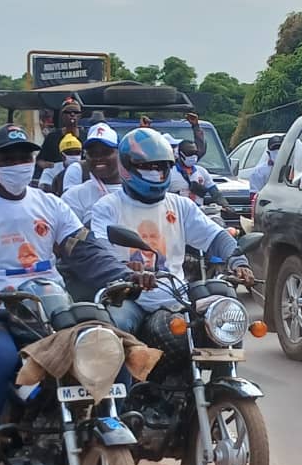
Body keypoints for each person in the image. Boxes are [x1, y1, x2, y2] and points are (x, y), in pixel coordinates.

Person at [0, 124, 154, 465]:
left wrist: (123, 277)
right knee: (1, 362)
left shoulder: (50, 205)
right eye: (8, 158)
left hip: (49, 305)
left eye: (25, 156)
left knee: (109, 348)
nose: (18, 164)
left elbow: (85, 252)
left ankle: (108, 425)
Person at [91, 128, 254, 336]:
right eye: (146, 167)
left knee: (225, 317)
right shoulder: (108, 207)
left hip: (176, 294)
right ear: (127, 167)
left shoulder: (180, 205)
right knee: (115, 331)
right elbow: (101, 248)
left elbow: (215, 236)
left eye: (161, 166)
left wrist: (238, 262)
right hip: (129, 297)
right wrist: (126, 271)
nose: (155, 172)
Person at [60, 122, 122, 222]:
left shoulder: (136, 191)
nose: (98, 158)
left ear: (120, 153)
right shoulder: (74, 196)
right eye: (92, 153)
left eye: (106, 152)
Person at [169, 139, 231, 212]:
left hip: (198, 213)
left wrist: (225, 206)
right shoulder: (170, 173)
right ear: (180, 154)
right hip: (177, 212)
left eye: (195, 153)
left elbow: (214, 192)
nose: (193, 156)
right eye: (189, 153)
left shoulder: (202, 171)